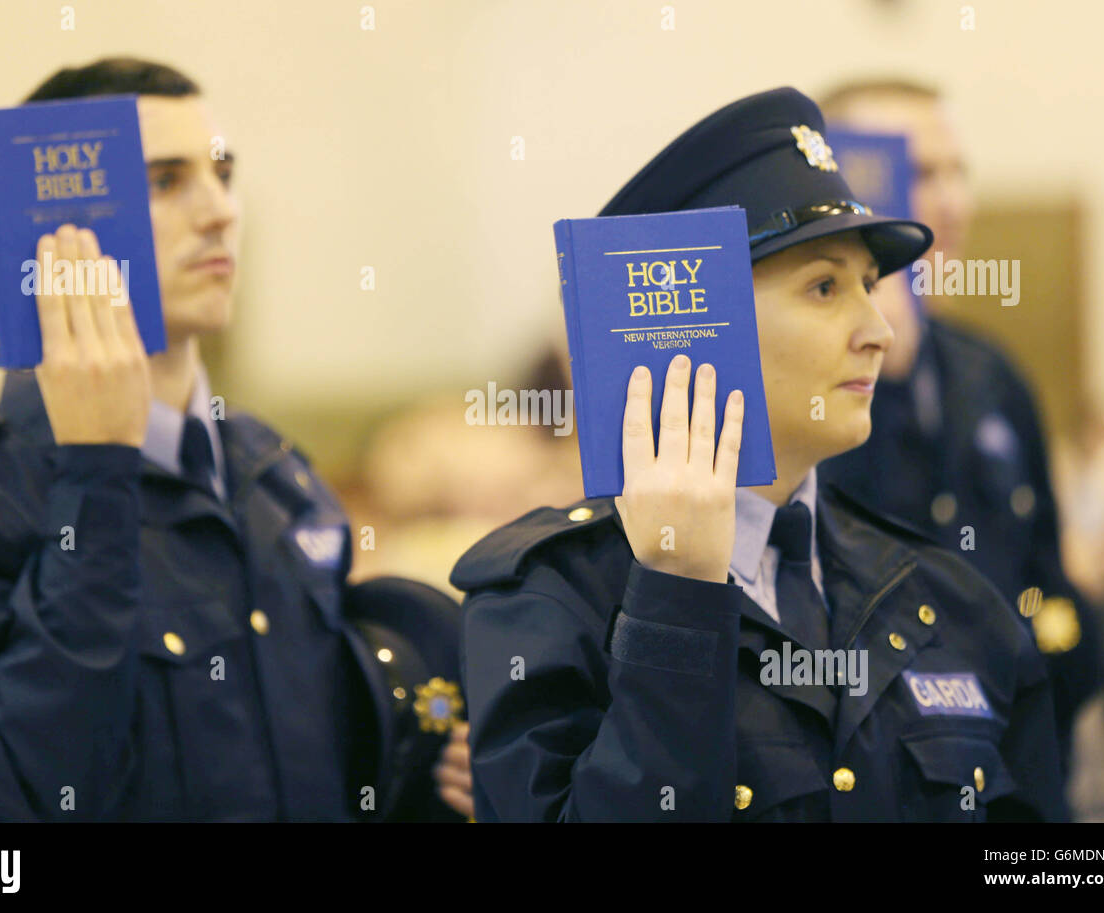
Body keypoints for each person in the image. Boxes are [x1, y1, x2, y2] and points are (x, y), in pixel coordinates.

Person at [0, 57, 472, 822]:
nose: (220, 210)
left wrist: (445, 771)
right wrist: (96, 473)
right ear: (55, 226)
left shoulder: (277, 477)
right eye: (165, 180)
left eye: (224, 172)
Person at [451, 87, 1066, 822]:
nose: (880, 330)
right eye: (825, 286)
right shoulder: (549, 603)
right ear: (696, 325)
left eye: (870, 285)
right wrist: (678, 593)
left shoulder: (950, 598)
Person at [814, 79, 1102, 759]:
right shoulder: (796, 391)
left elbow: (1052, 594)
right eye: (917, 174)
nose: (954, 203)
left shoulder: (990, 375)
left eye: (958, 172)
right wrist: (885, 373)